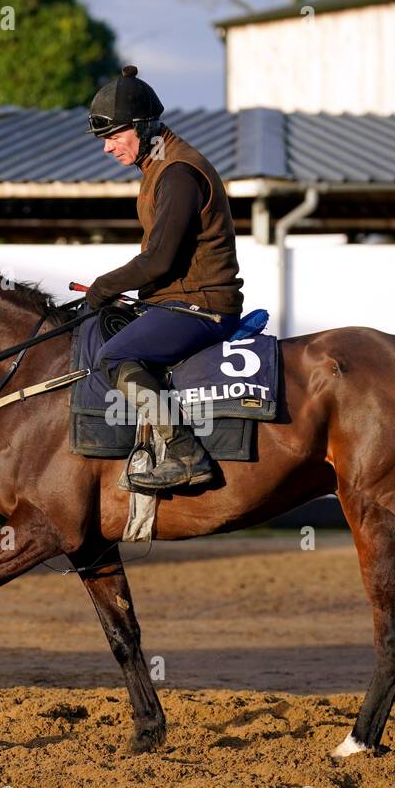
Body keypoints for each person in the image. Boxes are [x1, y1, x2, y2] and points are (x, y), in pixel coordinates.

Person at [85, 65, 245, 491]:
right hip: (179, 302)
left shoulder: (177, 172)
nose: (107, 149)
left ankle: (184, 453)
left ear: (142, 127)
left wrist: (104, 286)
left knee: (114, 358)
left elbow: (158, 261)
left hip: (202, 309)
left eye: (114, 136)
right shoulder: (160, 165)